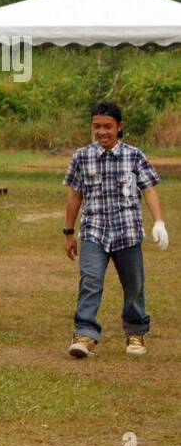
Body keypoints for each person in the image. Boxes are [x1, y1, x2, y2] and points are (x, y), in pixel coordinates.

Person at [63, 100, 167, 358]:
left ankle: (135, 332)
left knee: (134, 284)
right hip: (94, 232)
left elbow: (149, 189)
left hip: (127, 232)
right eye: (97, 126)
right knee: (90, 281)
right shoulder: (82, 157)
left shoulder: (134, 156)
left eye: (108, 126)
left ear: (119, 127)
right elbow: (75, 195)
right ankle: (84, 334)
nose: (102, 132)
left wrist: (159, 221)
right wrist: (68, 232)